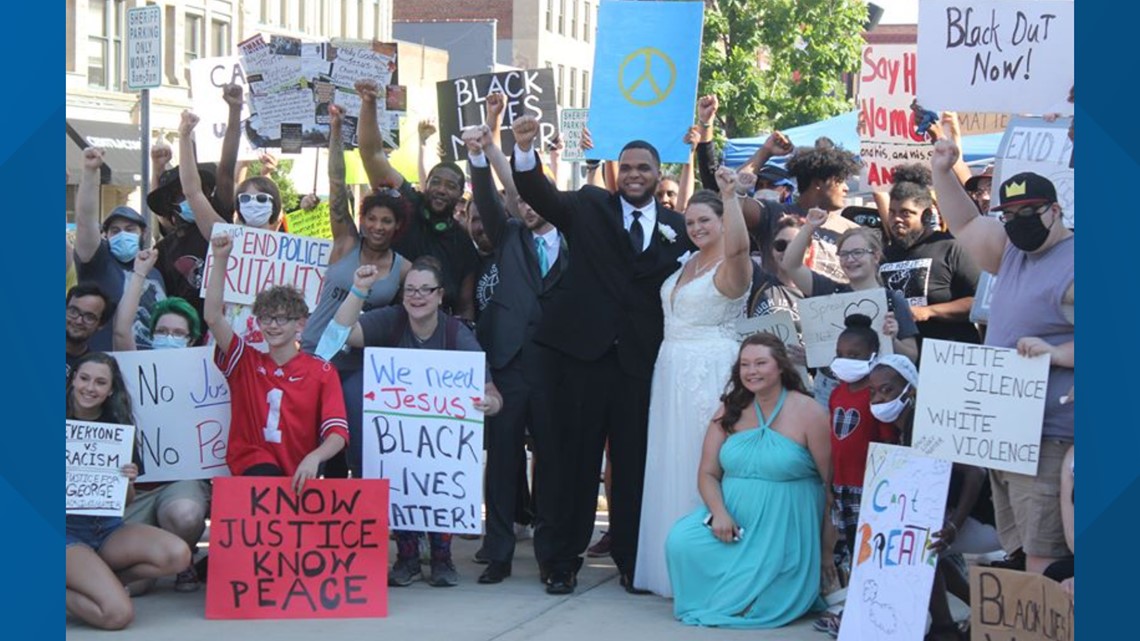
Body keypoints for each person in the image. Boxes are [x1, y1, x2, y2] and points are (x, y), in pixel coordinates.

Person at [509, 114, 694, 595]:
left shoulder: (679, 228)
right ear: (616, 172)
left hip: (640, 366)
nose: (634, 175)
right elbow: (540, 195)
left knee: (633, 466)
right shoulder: (590, 206)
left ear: (658, 173)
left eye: (644, 168)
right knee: (571, 463)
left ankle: (633, 562)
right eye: (626, 167)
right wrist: (525, 151)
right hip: (580, 360)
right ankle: (560, 561)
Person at [316, 256, 504, 588]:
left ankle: (442, 557)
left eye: (425, 290)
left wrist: (489, 403)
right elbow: (337, 336)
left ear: (440, 295)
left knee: (438, 474)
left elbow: (492, 392)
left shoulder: (456, 334)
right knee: (399, 470)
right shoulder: (390, 320)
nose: (417, 297)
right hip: (397, 442)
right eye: (410, 290)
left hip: (440, 446)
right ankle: (407, 558)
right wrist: (359, 290)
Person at [931, 142, 1074, 576]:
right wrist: (942, 171)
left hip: (1050, 435)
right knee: (1019, 547)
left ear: (1055, 210)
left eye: (1028, 212)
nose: (1017, 222)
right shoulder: (1010, 252)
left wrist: (1057, 354)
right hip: (1006, 434)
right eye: (1009, 215)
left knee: (1044, 555)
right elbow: (966, 222)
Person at [634, 168, 753, 597]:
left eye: (705, 220)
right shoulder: (688, 261)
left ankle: (711, 569)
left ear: (724, 221)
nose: (697, 227)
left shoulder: (732, 266)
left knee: (702, 459)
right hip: (671, 371)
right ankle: (669, 566)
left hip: (711, 371)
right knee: (671, 460)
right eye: (690, 222)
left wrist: (731, 196)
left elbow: (739, 248)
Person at [666, 334, 833, 628]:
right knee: (680, 541)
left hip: (785, 522)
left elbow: (831, 486)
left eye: (760, 363)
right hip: (735, 516)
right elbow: (707, 473)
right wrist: (719, 513)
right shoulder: (730, 409)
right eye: (745, 364)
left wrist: (827, 552)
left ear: (780, 366)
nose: (751, 371)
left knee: (762, 602)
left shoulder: (810, 412)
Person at [464, 125, 567, 584]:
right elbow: (488, 198)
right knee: (503, 465)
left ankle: (552, 557)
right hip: (508, 367)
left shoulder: (574, 240)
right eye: (519, 201)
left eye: (533, 199)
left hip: (555, 369)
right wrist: (479, 156)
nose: (526, 207)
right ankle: (499, 552)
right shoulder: (507, 235)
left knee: (553, 465)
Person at [299, 103, 409, 478]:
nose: (377, 226)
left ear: (396, 226)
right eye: (372, 218)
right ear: (362, 220)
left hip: (360, 366)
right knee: (313, 443)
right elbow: (336, 184)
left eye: (386, 221)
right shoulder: (345, 242)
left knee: (355, 443)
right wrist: (335, 131)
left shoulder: (404, 269)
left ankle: (356, 504)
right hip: (316, 354)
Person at [868, 355, 999, 641]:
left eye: (887, 390)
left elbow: (975, 472)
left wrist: (953, 526)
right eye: (873, 391)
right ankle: (977, 612)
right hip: (964, 515)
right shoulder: (907, 427)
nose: (878, 398)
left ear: (910, 389)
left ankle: (945, 627)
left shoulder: (923, 424)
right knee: (924, 549)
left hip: (984, 518)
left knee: (918, 548)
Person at [203, 235, 349, 488]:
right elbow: (213, 318)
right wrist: (220, 259)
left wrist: (315, 457)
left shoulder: (321, 372)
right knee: (264, 473)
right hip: (252, 465)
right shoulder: (246, 362)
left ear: (300, 324)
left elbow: (338, 433)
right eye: (266, 318)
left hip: (296, 474)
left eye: (281, 319)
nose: (272, 326)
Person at [110, 249, 211, 592]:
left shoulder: (205, 376)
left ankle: (184, 558)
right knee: (136, 588)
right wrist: (139, 274)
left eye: (178, 333)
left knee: (185, 514)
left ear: (191, 340)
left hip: (179, 484)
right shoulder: (134, 368)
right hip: (137, 487)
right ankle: (156, 560)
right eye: (162, 330)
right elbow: (121, 331)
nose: (169, 337)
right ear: (151, 334)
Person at [66, 353, 192, 630]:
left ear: (111, 390)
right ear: (73, 379)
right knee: (117, 615)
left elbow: (124, 502)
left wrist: (126, 482)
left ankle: (104, 579)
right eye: (84, 378)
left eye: (100, 382)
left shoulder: (118, 429)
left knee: (178, 555)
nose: (90, 388)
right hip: (64, 532)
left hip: (107, 528)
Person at [356, 79, 479, 320]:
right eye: (436, 182)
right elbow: (372, 155)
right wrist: (369, 103)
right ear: (426, 185)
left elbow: (465, 308)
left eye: (450, 186)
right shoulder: (407, 203)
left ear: (460, 195)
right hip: (387, 325)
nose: (441, 189)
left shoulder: (463, 242)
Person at [783, 208, 920, 410]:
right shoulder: (829, 291)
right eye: (844, 254)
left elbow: (912, 356)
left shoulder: (893, 300)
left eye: (857, 253)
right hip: (830, 390)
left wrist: (892, 339)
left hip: (875, 391)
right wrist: (809, 227)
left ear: (875, 256)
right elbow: (790, 265)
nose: (850, 259)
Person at [75, 148, 166, 351]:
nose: (122, 234)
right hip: (105, 363)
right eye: (115, 231)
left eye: (129, 229)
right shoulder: (97, 262)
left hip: (150, 366)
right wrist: (90, 173)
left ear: (143, 233)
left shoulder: (155, 273)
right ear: (105, 235)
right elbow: (85, 220)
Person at [880, 164, 982, 344]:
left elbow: (979, 302)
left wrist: (928, 312)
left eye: (906, 213)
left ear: (926, 215)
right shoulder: (884, 255)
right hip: (902, 354)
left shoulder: (951, 247)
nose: (896, 219)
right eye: (892, 213)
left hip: (946, 352)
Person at [67, 283, 113, 378]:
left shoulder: (94, 369)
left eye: (89, 317)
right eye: (73, 311)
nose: (79, 321)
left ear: (101, 325)